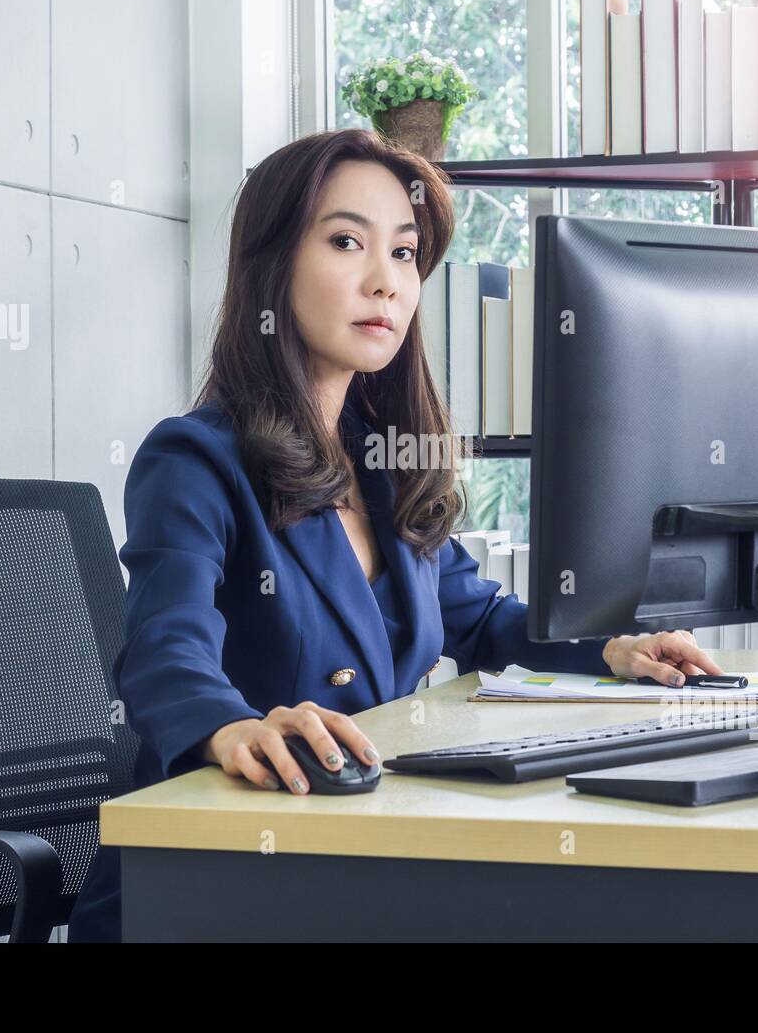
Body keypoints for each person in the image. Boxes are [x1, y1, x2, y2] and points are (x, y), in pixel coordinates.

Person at [67, 128, 722, 941]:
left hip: (358, 850)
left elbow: (481, 620)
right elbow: (166, 649)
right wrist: (229, 725)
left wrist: (611, 646)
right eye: (347, 242)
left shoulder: (382, 467)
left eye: (406, 254)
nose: (386, 282)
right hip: (215, 880)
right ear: (272, 266)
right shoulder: (197, 458)